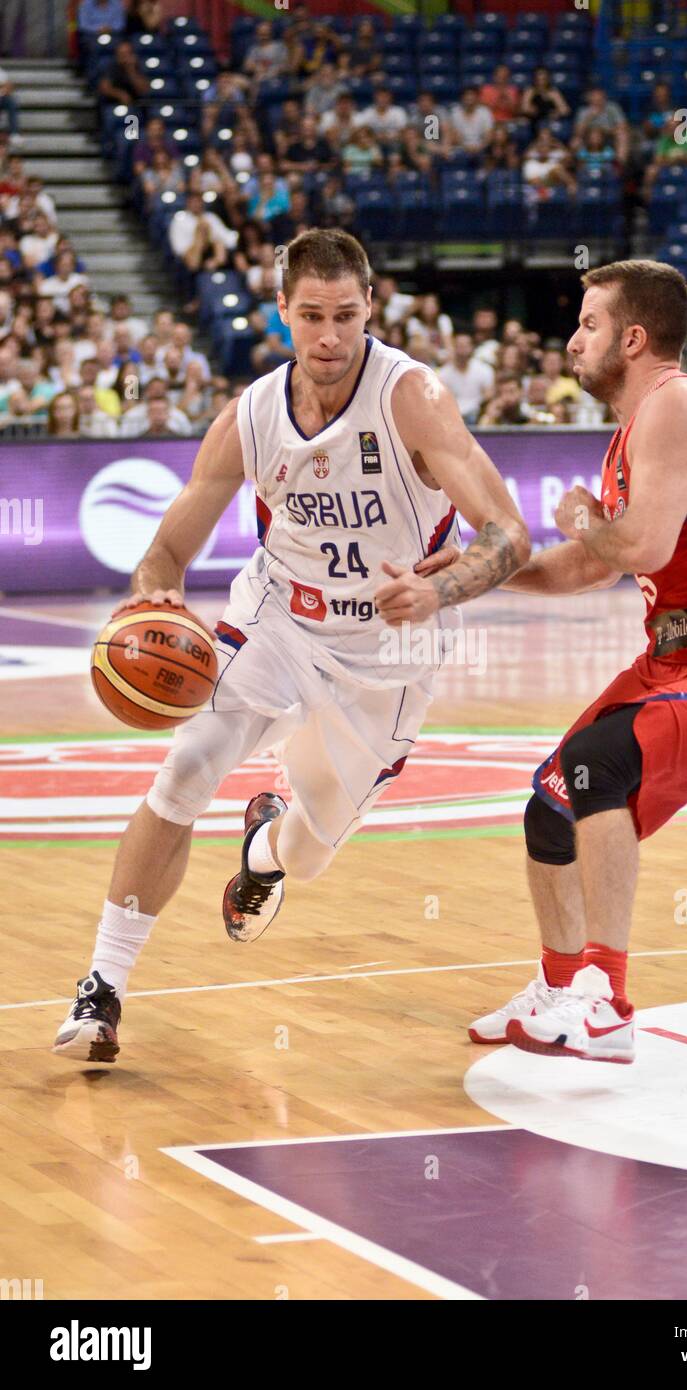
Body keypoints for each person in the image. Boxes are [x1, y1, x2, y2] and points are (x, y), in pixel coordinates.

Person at [52, 228, 530, 1065]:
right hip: (277, 619)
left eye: (346, 315)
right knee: (187, 766)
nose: (330, 336)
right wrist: (155, 586)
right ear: (281, 312)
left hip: (391, 648)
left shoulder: (412, 398)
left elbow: (507, 536)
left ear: (371, 307)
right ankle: (101, 988)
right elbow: (166, 549)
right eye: (311, 315)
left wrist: (440, 588)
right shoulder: (251, 414)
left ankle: (266, 847)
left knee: (308, 855)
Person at [458, 259, 687, 1062]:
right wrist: (472, 575)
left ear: (632, 337)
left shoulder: (685, 401)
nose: (573, 339)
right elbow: (593, 566)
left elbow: (637, 545)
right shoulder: (630, 436)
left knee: (597, 761)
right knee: (549, 804)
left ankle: (608, 1002)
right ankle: (557, 990)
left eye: (587, 325)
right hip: (676, 661)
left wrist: (588, 517)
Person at [436, 331, 495, 424]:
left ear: (472, 348)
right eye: (459, 346)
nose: (462, 350)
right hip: (452, 415)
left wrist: (481, 410)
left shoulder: (484, 369)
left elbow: (489, 394)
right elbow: (440, 399)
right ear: (454, 348)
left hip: (477, 414)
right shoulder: (443, 374)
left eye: (465, 346)